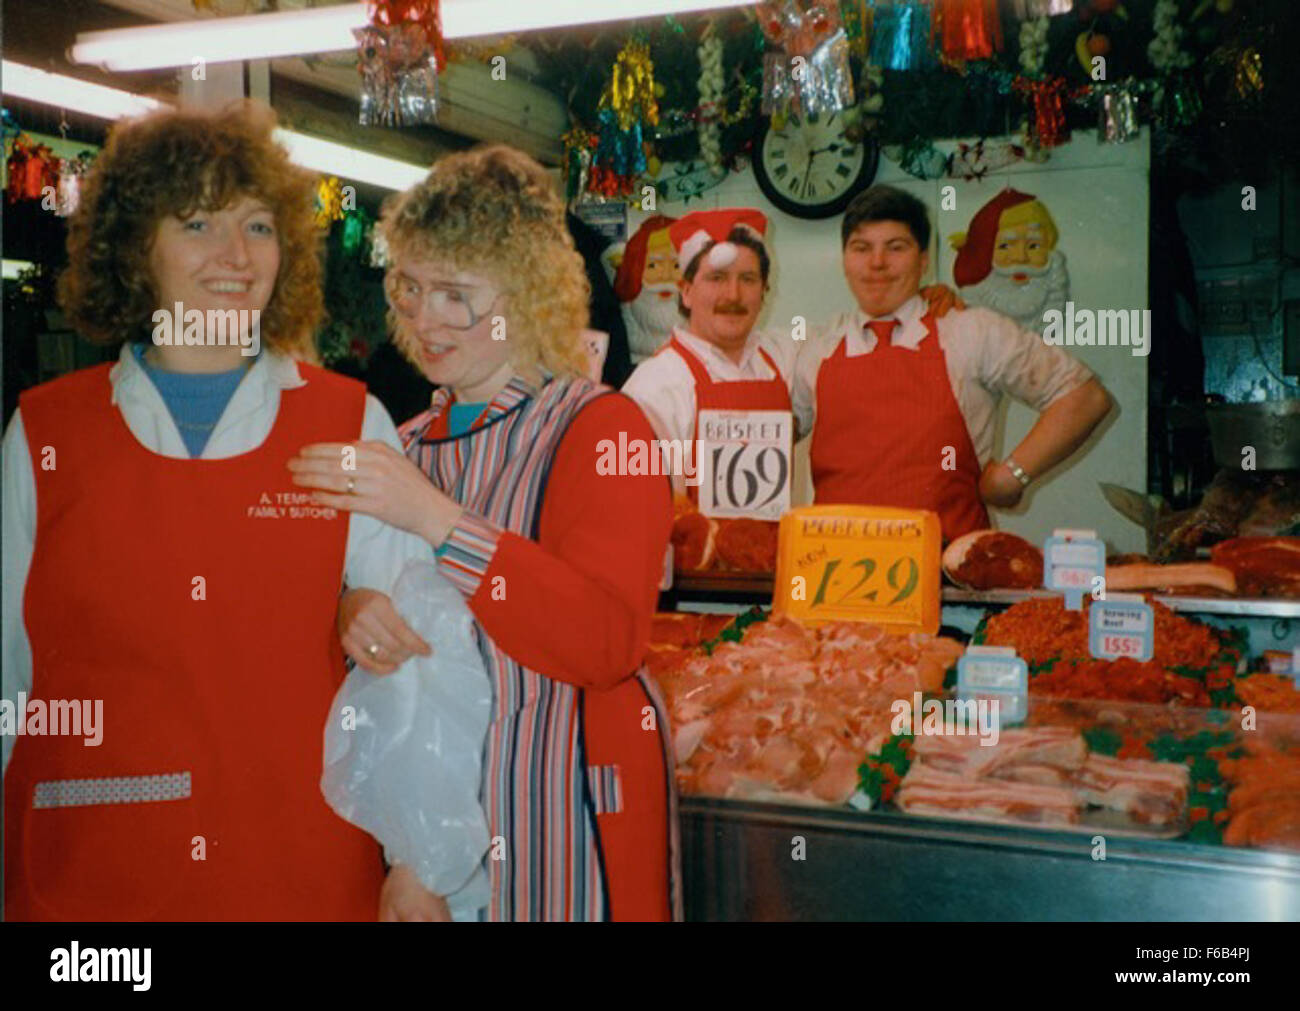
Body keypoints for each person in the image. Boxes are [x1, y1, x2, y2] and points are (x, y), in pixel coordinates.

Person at [1, 101, 431, 921]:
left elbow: (409, 673)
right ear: (137, 247)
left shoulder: (349, 423)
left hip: (301, 875)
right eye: (198, 223)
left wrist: (417, 859)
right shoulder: (45, 435)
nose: (236, 255)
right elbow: (7, 681)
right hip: (93, 891)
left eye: (259, 225)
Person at [287, 144, 676, 922]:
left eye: (457, 294)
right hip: (431, 855)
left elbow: (604, 641)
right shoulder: (405, 439)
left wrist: (436, 520)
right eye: (411, 287)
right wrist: (351, 611)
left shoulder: (603, 427)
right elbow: (384, 671)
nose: (426, 319)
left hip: (564, 822)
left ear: (527, 294)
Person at [793, 184, 1113, 542]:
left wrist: (1013, 475)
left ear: (924, 259)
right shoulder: (815, 350)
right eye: (861, 248)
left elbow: (1085, 397)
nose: (877, 263)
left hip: (949, 579)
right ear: (844, 260)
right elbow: (765, 432)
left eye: (896, 247)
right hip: (831, 575)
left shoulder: (972, 331)